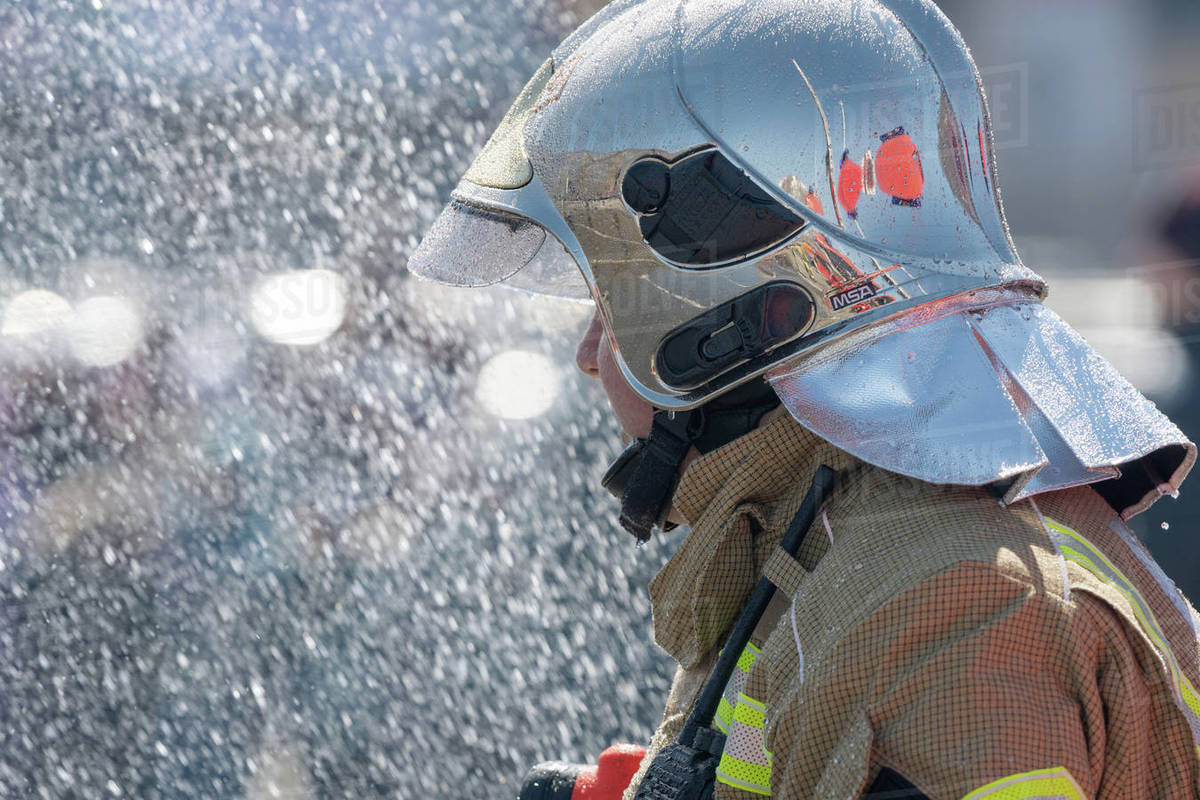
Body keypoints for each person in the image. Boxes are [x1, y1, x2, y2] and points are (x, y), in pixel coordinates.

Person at [408, 0, 1200, 797]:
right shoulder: (828, 543)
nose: (586, 356)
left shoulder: (945, 612)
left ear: (713, 327)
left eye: (607, 311)